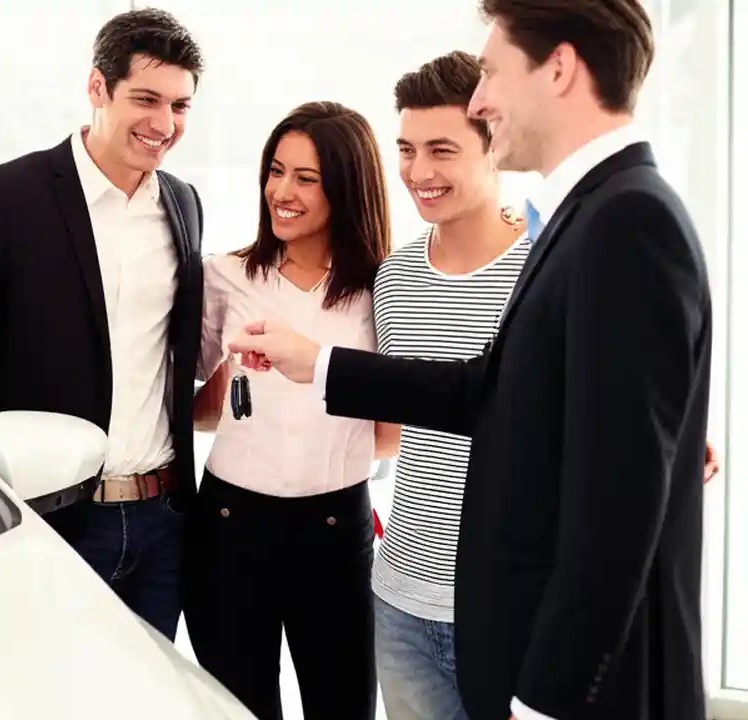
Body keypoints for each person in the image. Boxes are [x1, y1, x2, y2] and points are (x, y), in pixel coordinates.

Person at [226, 2, 711, 718]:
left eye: (491, 71)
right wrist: (318, 363)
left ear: (560, 68)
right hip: (428, 600)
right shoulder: (591, 213)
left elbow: (616, 519)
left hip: (557, 665)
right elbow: (493, 388)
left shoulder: (627, 220)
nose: (483, 98)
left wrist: (543, 702)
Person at [0, 8, 205, 641]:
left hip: (163, 521)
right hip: (56, 523)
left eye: (180, 106)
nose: (164, 124)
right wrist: (3, 487)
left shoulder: (183, 202)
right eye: (147, 99)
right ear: (98, 88)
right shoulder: (3, 198)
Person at [186, 101, 398, 720]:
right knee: (237, 709)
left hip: (336, 532)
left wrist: (322, 399)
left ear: (347, 185)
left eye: (306, 178)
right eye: (276, 171)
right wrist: (238, 375)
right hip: (228, 525)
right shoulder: (223, 276)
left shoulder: (383, 286)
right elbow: (193, 412)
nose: (282, 191)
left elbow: (391, 435)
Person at [370, 50, 529, 720]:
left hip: (512, 606)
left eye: (442, 149)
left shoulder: (544, 272)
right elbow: (391, 433)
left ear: (496, 146)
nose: (417, 172)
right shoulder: (393, 280)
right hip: (400, 603)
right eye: (406, 149)